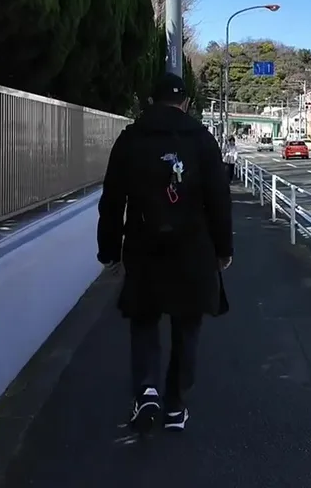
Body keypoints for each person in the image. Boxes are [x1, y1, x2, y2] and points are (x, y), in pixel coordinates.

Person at [97, 72, 233, 434]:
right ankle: (175, 405)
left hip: (143, 247)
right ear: (185, 102)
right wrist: (224, 249)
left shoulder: (130, 139)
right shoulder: (202, 139)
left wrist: (109, 250)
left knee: (144, 319)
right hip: (194, 248)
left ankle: (146, 392)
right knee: (187, 325)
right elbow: (219, 200)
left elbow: (112, 201)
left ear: (150, 101)